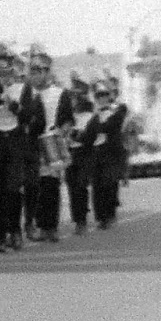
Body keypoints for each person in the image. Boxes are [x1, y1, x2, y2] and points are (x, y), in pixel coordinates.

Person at [0, 43, 43, 253]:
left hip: (16, 142)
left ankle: (15, 230)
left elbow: (29, 117)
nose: (3, 74)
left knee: (13, 188)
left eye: (6, 68)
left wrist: (12, 104)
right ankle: (0, 236)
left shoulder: (23, 88)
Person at [25, 47, 70, 243]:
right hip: (30, 142)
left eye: (40, 71)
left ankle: (49, 226)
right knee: (32, 186)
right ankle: (33, 223)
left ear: (48, 72)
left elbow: (67, 119)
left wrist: (61, 134)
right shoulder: (25, 93)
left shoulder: (60, 93)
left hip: (51, 140)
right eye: (33, 71)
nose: (37, 75)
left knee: (50, 185)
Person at [85, 78, 129, 229]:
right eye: (99, 96)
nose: (101, 98)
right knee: (97, 186)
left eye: (104, 95)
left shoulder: (117, 110)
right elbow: (87, 135)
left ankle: (110, 214)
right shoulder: (93, 114)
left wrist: (102, 118)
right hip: (96, 153)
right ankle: (101, 217)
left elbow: (113, 124)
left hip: (112, 152)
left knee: (109, 183)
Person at [63, 71, 96, 233]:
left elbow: (89, 135)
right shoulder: (68, 115)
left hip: (84, 154)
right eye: (73, 96)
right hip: (70, 152)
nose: (74, 99)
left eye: (77, 96)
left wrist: (77, 134)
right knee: (71, 187)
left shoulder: (89, 115)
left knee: (81, 185)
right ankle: (77, 218)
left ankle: (81, 219)